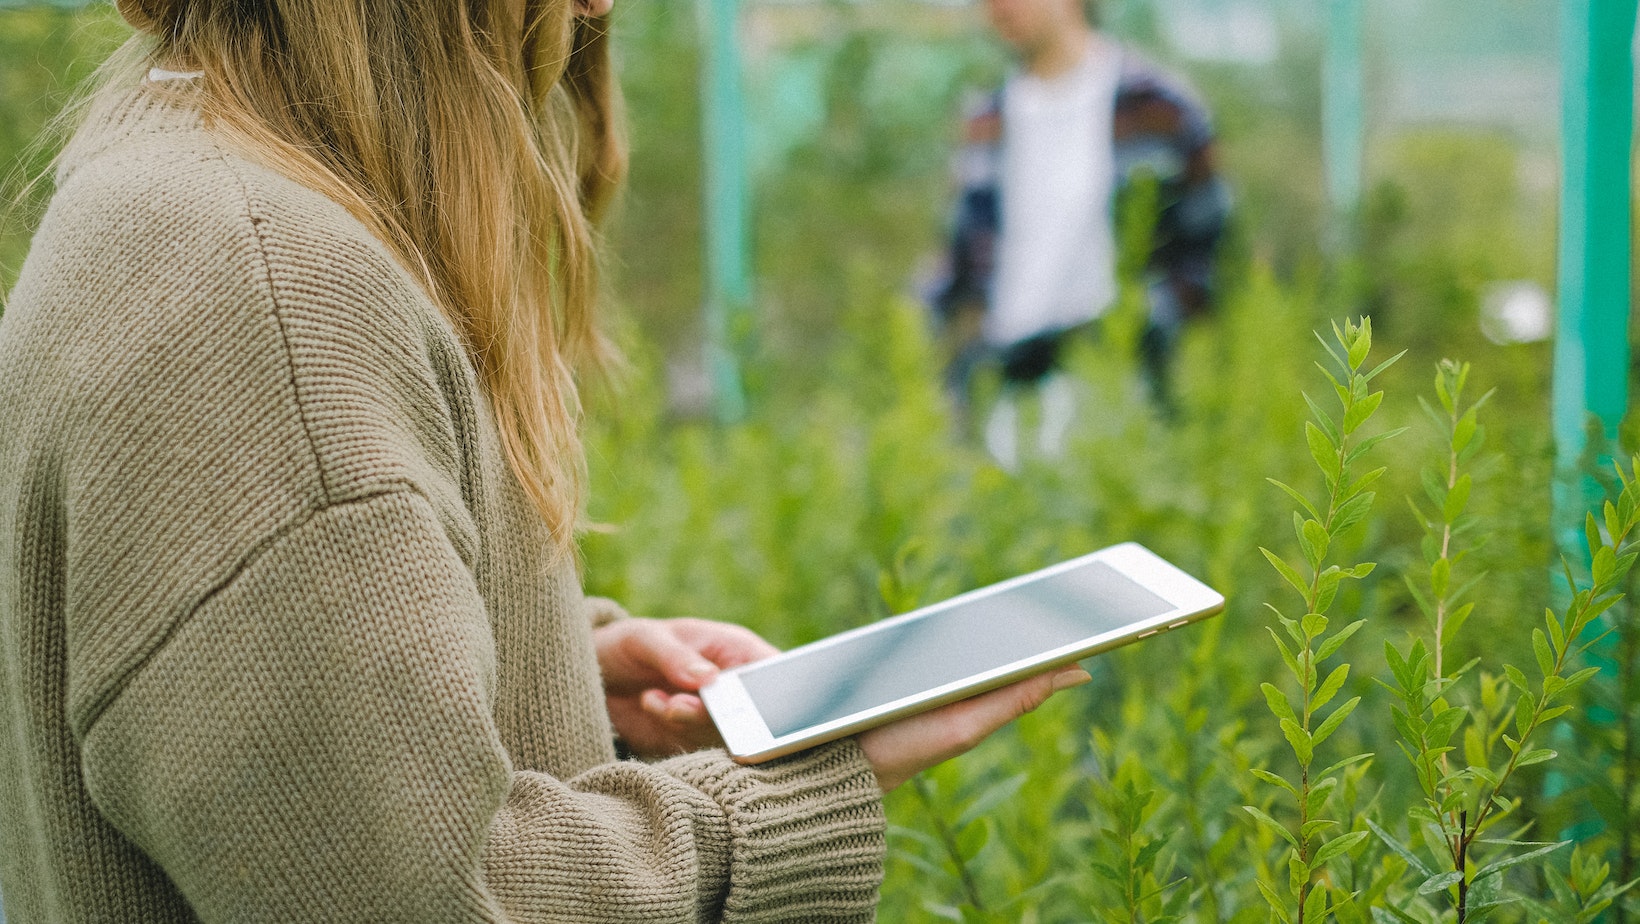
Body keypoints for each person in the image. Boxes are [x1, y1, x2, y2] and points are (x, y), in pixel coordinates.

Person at [0, 0, 1092, 920]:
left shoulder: (190, 198)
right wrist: (792, 793)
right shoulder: (262, 285)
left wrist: (571, 671)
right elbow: (430, 893)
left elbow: (249, 685)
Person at [931, 0, 1230, 468]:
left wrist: (1144, 333)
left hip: (1123, 394)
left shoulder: (1158, 109)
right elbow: (959, 266)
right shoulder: (986, 120)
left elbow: (1208, 254)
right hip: (1007, 401)